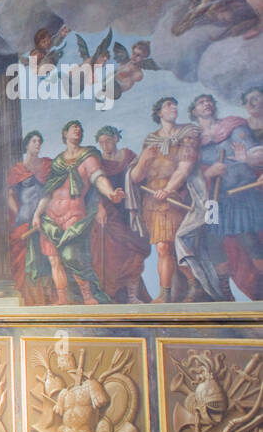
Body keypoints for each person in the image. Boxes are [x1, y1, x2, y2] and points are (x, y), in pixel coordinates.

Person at [27, 120, 126, 304]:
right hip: (50, 216)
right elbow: (49, 190)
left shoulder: (88, 156)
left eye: (80, 128)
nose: (78, 130)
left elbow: (98, 177)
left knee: (73, 256)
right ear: (65, 134)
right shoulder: (58, 162)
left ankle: (88, 296)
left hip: (74, 213)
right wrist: (37, 214)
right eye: (74, 128)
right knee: (54, 260)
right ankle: (63, 298)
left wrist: (111, 193)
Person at [128, 97, 212, 302]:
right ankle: (165, 294)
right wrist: (144, 161)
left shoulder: (188, 133)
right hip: (153, 202)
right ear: (159, 113)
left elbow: (185, 167)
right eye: (168, 105)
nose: (174, 107)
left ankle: (196, 285)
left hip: (177, 198)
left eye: (175, 104)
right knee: (163, 248)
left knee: (177, 245)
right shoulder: (151, 140)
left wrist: (167, 189)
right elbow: (136, 178)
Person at [190, 93, 263, 297]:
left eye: (209, 101)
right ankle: (223, 289)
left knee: (248, 238)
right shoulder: (193, 140)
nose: (206, 104)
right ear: (195, 111)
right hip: (214, 200)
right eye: (201, 102)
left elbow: (257, 153)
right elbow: (187, 172)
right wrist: (208, 173)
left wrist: (246, 158)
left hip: (241, 194)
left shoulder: (233, 126)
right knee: (212, 240)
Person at [92, 125, 150, 303]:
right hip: (109, 215)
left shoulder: (128, 156)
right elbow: (93, 188)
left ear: (116, 138)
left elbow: (141, 178)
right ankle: (113, 295)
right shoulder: (98, 162)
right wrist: (100, 208)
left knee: (136, 251)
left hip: (130, 210)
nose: (105, 145)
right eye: (101, 142)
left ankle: (133, 295)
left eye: (108, 141)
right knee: (113, 256)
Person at [8, 131, 53, 304]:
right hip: (24, 218)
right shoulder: (18, 170)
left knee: (46, 256)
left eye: (39, 141)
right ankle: (29, 297)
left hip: (44, 217)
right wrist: (17, 211)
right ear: (26, 145)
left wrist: (39, 214)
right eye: (34, 141)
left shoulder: (47, 166)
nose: (37, 144)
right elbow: (10, 194)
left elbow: (50, 191)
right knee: (23, 257)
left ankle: (46, 297)